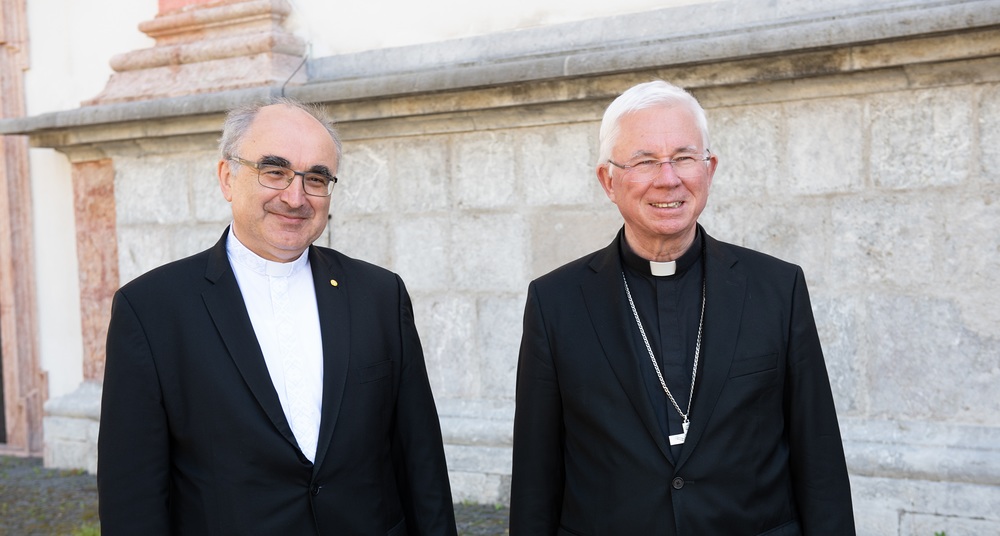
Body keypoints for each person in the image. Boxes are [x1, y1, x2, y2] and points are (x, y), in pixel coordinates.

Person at [98, 98, 458, 535]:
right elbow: (132, 494)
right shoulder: (152, 309)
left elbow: (420, 460)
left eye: (316, 178)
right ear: (227, 178)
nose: (295, 197)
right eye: (275, 171)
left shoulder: (380, 295)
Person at [509, 80, 855, 535]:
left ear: (709, 169)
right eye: (644, 160)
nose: (668, 178)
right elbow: (537, 476)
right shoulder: (555, 302)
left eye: (684, 157)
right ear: (608, 181)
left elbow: (819, 457)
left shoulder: (776, 287)